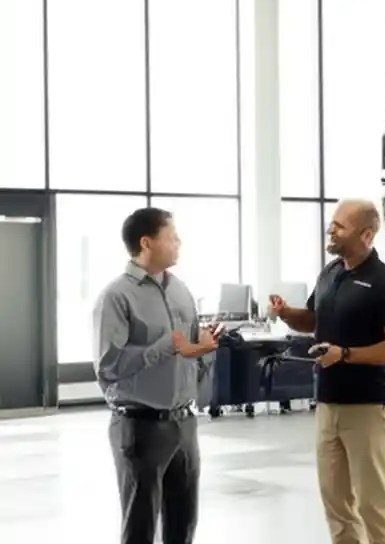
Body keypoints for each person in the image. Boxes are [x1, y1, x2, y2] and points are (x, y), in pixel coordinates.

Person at [270, 199, 385, 544]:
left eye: (340, 226)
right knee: (336, 504)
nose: (331, 230)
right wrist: (287, 313)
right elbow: (313, 320)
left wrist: (345, 354)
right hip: (327, 404)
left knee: (372, 504)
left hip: (367, 407)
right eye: (332, 223)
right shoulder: (330, 273)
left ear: (366, 235)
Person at [92, 207, 222, 544]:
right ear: (146, 243)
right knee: (140, 526)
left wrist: (204, 347)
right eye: (172, 237)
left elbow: (189, 350)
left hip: (184, 424)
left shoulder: (180, 290)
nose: (179, 242)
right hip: (140, 426)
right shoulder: (116, 296)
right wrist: (163, 347)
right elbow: (108, 366)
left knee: (183, 524)